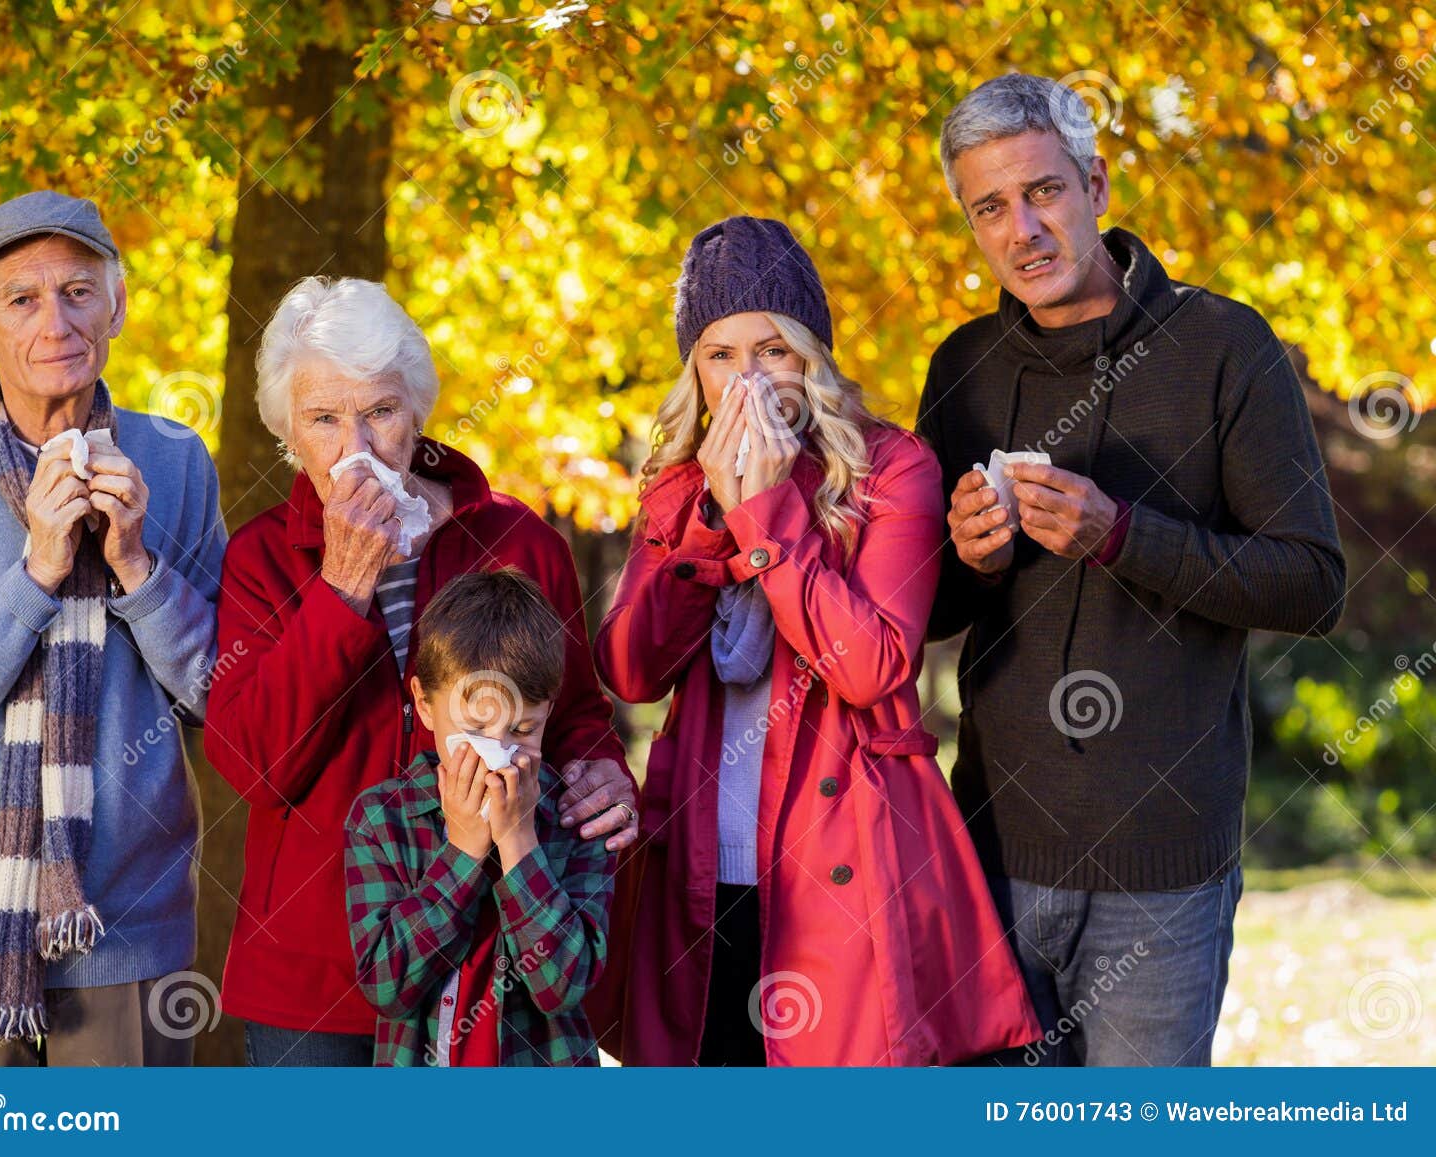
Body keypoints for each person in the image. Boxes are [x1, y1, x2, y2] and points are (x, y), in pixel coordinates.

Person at [918, 72, 1346, 1065]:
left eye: (1043, 192)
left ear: (1097, 186)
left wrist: (1122, 534)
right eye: (989, 207)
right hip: (989, 849)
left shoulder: (1222, 345)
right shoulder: (964, 366)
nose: (1020, 229)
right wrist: (969, 557)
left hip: (1162, 868)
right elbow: (924, 605)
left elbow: (1312, 583)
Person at [589, 215, 1041, 1065]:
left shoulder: (892, 467)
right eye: (720, 355)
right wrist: (711, 521)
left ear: (811, 356)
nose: (746, 378)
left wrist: (764, 511)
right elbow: (632, 668)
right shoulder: (679, 485)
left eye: (772, 350)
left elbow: (872, 666)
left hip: (845, 861)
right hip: (698, 854)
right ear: (694, 368)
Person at [203, 277, 634, 1066]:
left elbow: (574, 714)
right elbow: (253, 764)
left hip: (495, 958)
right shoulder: (261, 557)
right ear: (289, 434)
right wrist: (342, 588)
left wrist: (604, 770)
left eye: (381, 412)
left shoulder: (519, 542)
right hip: (317, 979)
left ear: (419, 411)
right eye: (324, 419)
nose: (356, 448)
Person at [0, 190, 226, 1065]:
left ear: (119, 305)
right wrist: (36, 575)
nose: (53, 320)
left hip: (125, 928)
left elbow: (221, 689)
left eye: (77, 291)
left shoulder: (175, 463)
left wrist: (136, 566)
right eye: (20, 298)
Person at [345, 568, 614, 1065]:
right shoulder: (382, 820)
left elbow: (563, 988)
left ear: (548, 714)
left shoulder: (576, 818)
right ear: (424, 705)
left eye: (522, 729)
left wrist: (519, 841)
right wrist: (465, 851)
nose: (499, 753)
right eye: (474, 727)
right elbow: (387, 986)